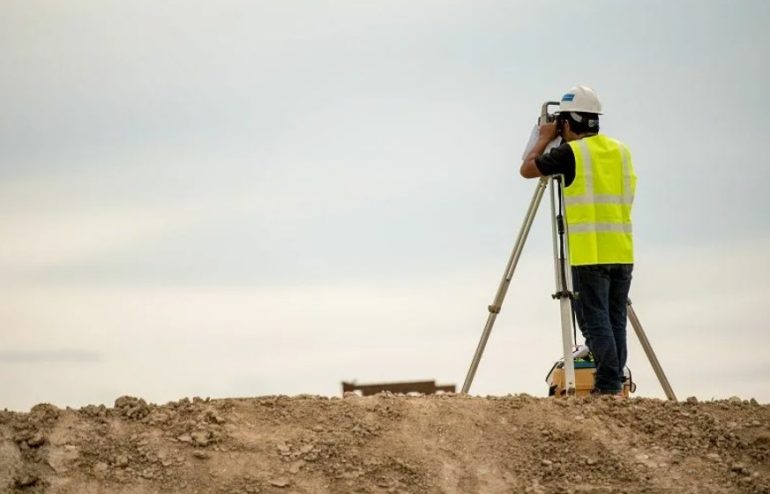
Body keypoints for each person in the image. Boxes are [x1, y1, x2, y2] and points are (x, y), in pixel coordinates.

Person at [519, 85, 637, 396]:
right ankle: (615, 382)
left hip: (589, 252)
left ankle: (609, 385)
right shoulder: (621, 151)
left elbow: (528, 169)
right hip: (622, 249)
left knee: (595, 322)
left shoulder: (572, 153)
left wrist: (544, 137)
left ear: (567, 124)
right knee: (615, 321)